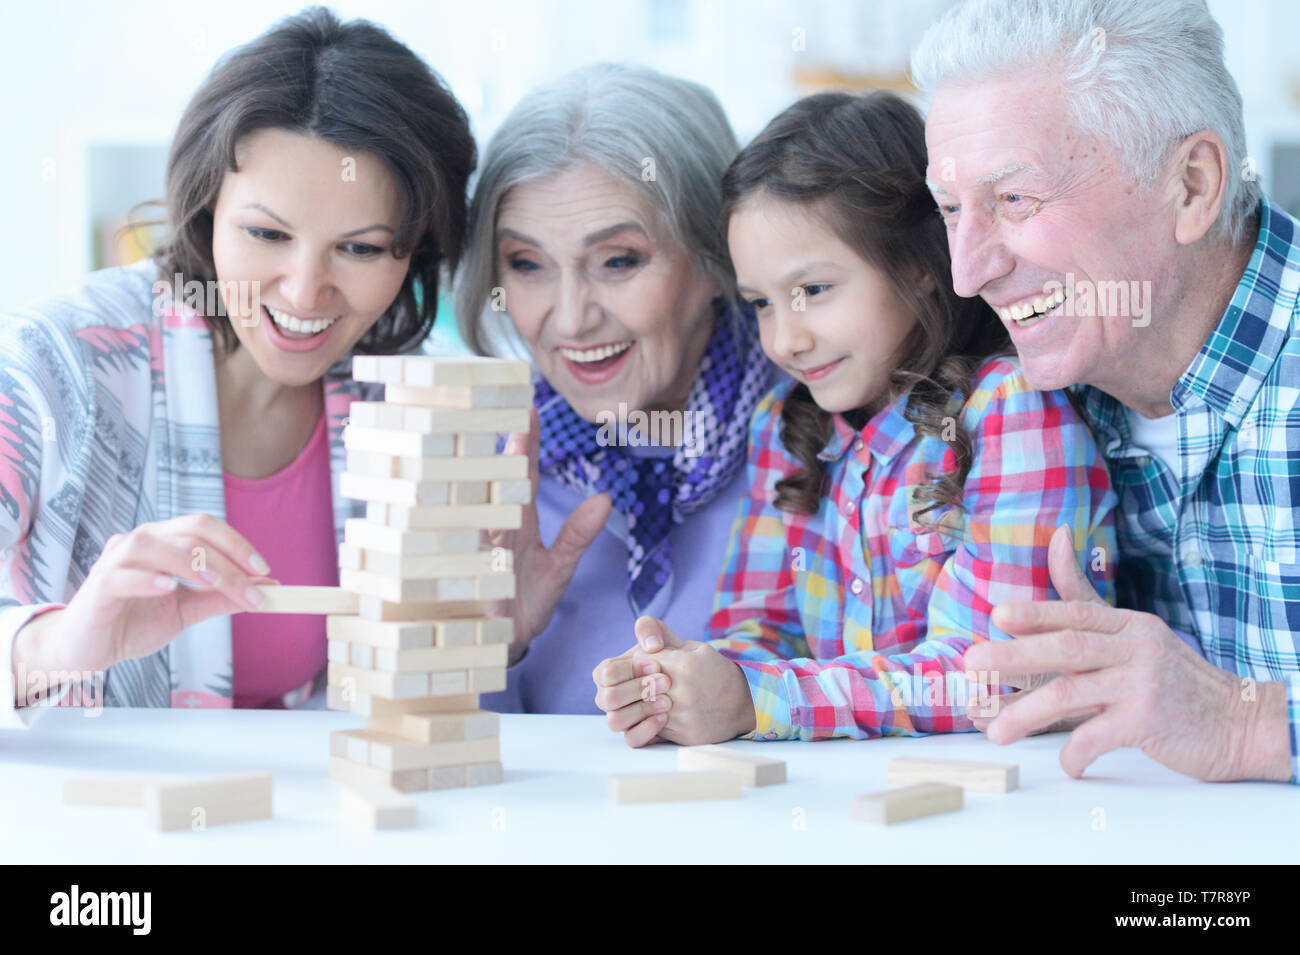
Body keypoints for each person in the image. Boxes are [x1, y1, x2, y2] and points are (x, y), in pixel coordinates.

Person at [592, 90, 1118, 746]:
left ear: (920, 266)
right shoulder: (782, 430)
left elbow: (988, 673)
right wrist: (691, 678)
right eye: (760, 303)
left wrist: (761, 698)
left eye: (812, 291)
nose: (786, 340)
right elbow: (762, 630)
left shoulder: (1013, 412)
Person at [0, 7, 475, 721]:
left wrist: (502, 627)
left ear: (415, 254)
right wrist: (57, 644)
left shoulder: (409, 407)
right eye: (265, 233)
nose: (305, 289)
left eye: (363, 248)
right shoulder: (53, 360)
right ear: (206, 211)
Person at [913, 0, 1298, 782]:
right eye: (951, 209)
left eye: (1015, 201)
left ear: (1191, 186)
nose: (969, 271)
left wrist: (1246, 721)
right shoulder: (1016, 397)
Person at [455, 64, 778, 714]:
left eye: (619, 261)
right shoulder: (480, 468)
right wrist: (488, 648)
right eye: (527, 265)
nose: (572, 318)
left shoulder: (820, 443)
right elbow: (438, 784)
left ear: (719, 261)